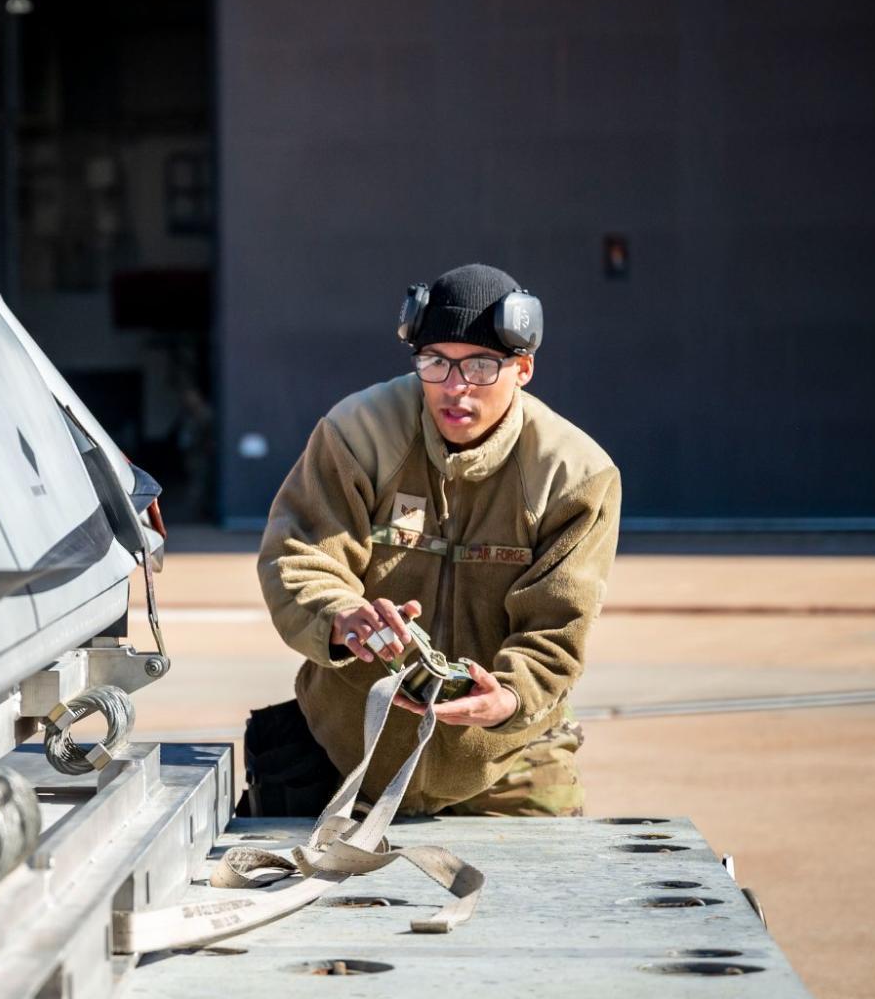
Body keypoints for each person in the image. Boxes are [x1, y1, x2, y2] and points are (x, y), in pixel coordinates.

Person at [247, 263, 620, 818]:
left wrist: (510, 698)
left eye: (481, 366)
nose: (454, 387)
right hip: (347, 754)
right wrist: (342, 619)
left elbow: (558, 624)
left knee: (542, 901)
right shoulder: (357, 434)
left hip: (505, 761)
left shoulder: (573, 475)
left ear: (524, 368)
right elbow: (300, 556)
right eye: (436, 362)